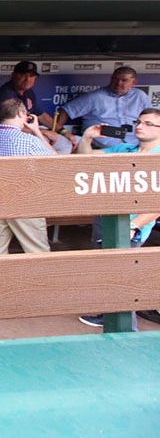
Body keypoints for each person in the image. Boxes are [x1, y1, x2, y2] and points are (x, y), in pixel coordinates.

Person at [75, 108, 160, 327]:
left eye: (149, 124)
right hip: (108, 217)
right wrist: (87, 137)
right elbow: (85, 160)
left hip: (132, 223)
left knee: (121, 271)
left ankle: (120, 321)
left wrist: (134, 225)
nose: (140, 126)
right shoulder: (126, 148)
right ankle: (108, 312)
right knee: (104, 267)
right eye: (139, 122)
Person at [0, 99, 57, 255]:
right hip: (24, 200)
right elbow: (56, 162)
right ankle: (41, 280)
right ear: (21, 113)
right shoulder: (29, 141)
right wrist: (37, 131)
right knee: (38, 251)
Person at [0, 60, 71, 153]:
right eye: (23, 75)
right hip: (1, 137)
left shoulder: (28, 92)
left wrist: (63, 131)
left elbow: (41, 115)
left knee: (65, 142)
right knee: (51, 143)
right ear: (13, 75)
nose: (27, 79)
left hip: (21, 131)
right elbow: (9, 126)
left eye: (31, 76)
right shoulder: (4, 95)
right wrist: (42, 132)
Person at [55, 67, 150, 149]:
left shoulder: (140, 96)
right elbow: (66, 110)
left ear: (133, 82)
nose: (118, 83)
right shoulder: (95, 97)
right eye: (115, 79)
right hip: (102, 144)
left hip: (134, 144)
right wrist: (58, 132)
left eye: (124, 80)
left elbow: (150, 117)